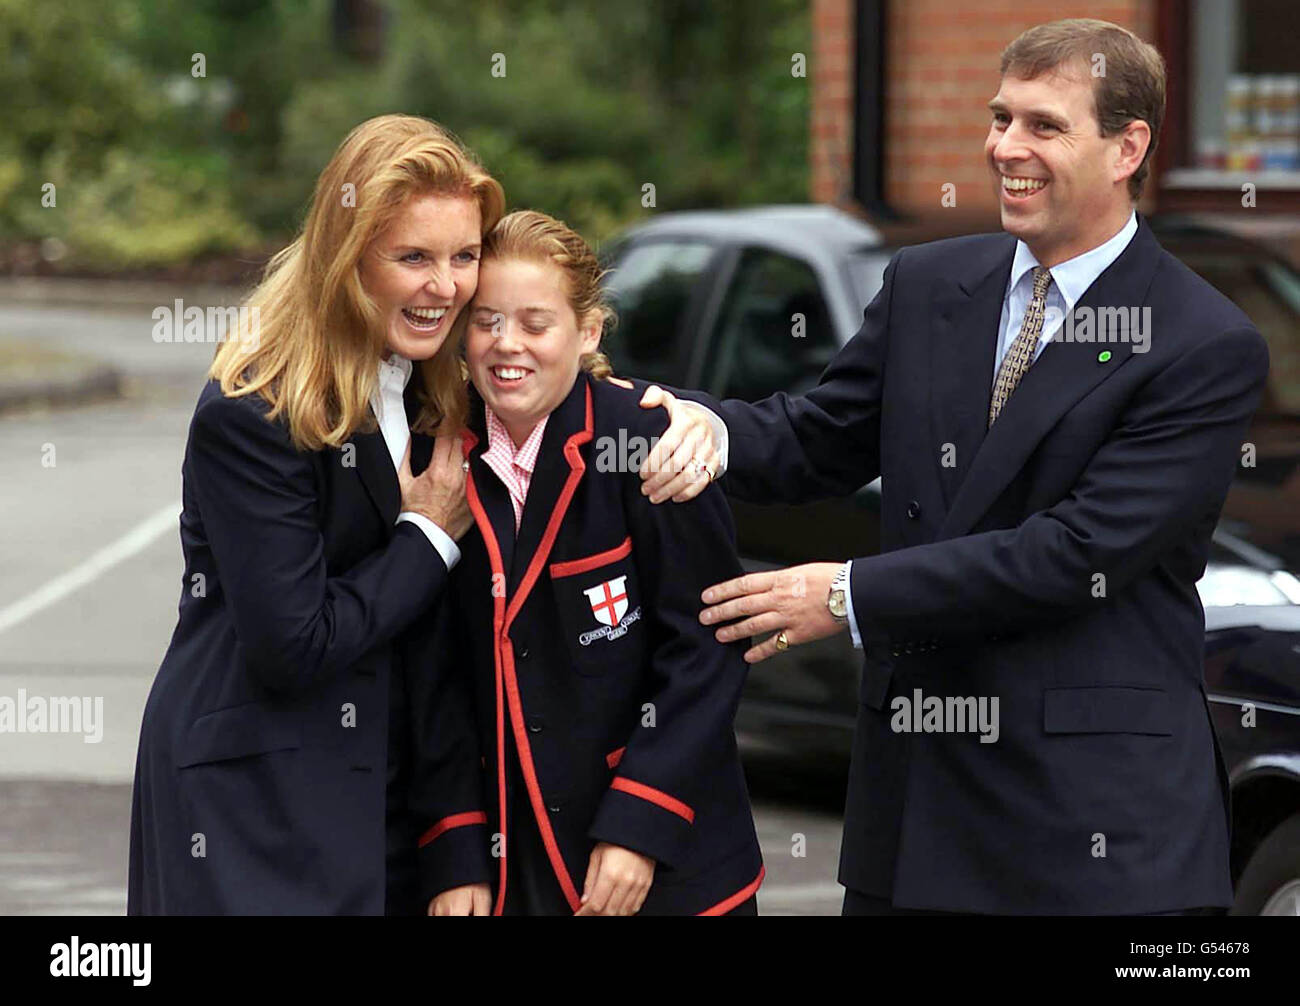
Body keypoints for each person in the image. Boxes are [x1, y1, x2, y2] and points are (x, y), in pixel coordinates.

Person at [636, 19, 1269, 915]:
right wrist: (698, 426)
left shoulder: (1203, 342)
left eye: (1043, 126)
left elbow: (1075, 553)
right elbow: (822, 436)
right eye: (999, 117)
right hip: (916, 810)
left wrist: (847, 595)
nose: (1005, 146)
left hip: (1093, 833)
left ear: (1129, 147)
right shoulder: (931, 284)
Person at [128, 115, 502, 915]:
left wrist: (689, 420)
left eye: (463, 256)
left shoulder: (438, 389)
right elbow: (292, 644)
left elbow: (569, 377)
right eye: (413, 258)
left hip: (384, 805)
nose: (446, 287)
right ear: (347, 258)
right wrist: (428, 535)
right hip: (248, 806)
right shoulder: (253, 411)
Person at [454, 210, 764, 915]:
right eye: (486, 320)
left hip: (669, 868)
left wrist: (639, 827)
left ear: (588, 331)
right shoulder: (441, 459)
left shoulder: (652, 442)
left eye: (536, 323)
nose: (508, 345)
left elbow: (707, 648)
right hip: (515, 868)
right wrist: (455, 851)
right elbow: (437, 682)